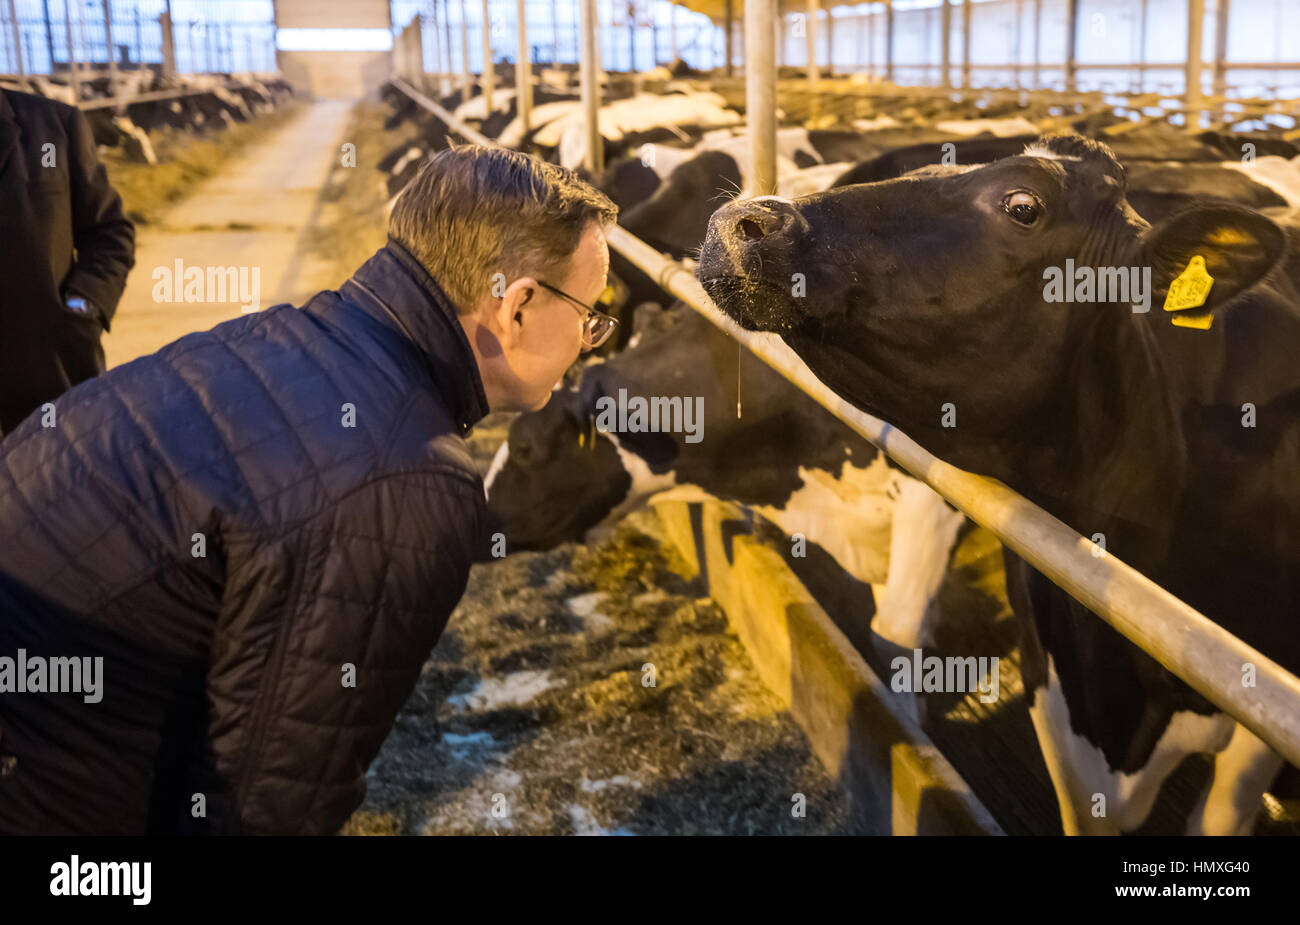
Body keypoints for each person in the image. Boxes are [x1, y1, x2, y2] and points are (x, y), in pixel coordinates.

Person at [0, 144, 618, 834]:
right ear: (520, 305)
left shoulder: (292, 335)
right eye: (590, 314)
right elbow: (272, 796)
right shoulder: (409, 477)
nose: (591, 341)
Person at [0, 86, 135, 435]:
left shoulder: (53, 126)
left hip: (47, 371)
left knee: (63, 482)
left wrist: (84, 305)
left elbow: (109, 232)